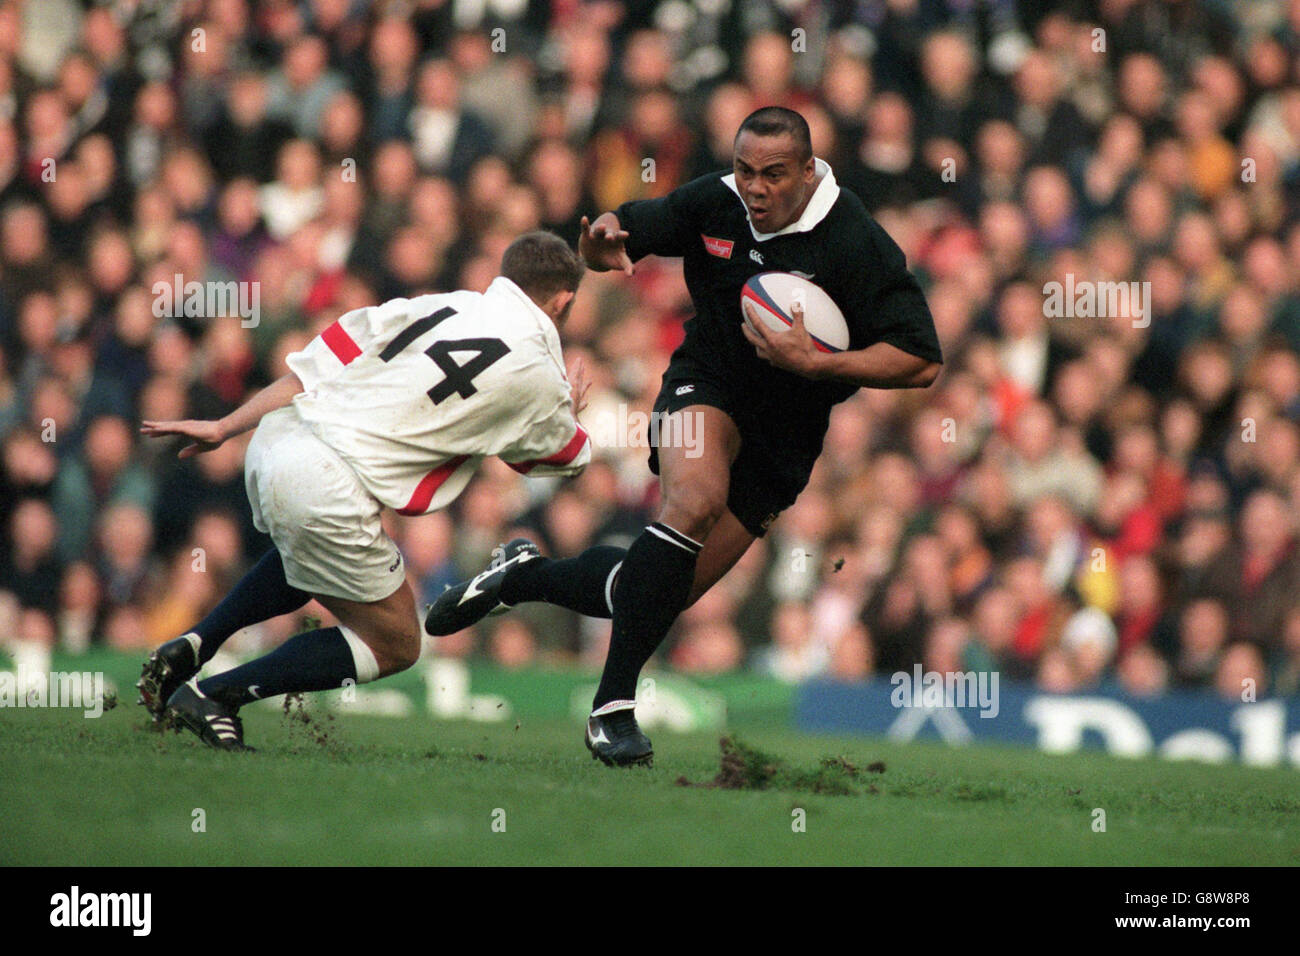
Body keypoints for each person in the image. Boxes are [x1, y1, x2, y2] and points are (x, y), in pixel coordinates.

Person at [425, 107, 942, 766]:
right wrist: (599, 243)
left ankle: (520, 579)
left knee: (653, 591)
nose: (754, 187)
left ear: (808, 172)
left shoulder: (853, 240)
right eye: (745, 170)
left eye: (774, 175)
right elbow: (626, 228)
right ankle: (612, 707)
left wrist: (820, 364)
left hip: (785, 442)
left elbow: (921, 358)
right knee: (692, 503)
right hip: (706, 388)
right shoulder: (715, 202)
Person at [136, 231, 591, 750]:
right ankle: (217, 693)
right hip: (330, 482)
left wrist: (225, 427)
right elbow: (565, 458)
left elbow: (314, 367)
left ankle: (194, 645)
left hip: (277, 438)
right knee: (397, 641)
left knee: (308, 559)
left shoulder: (435, 305)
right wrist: (568, 411)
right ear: (564, 302)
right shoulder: (540, 373)